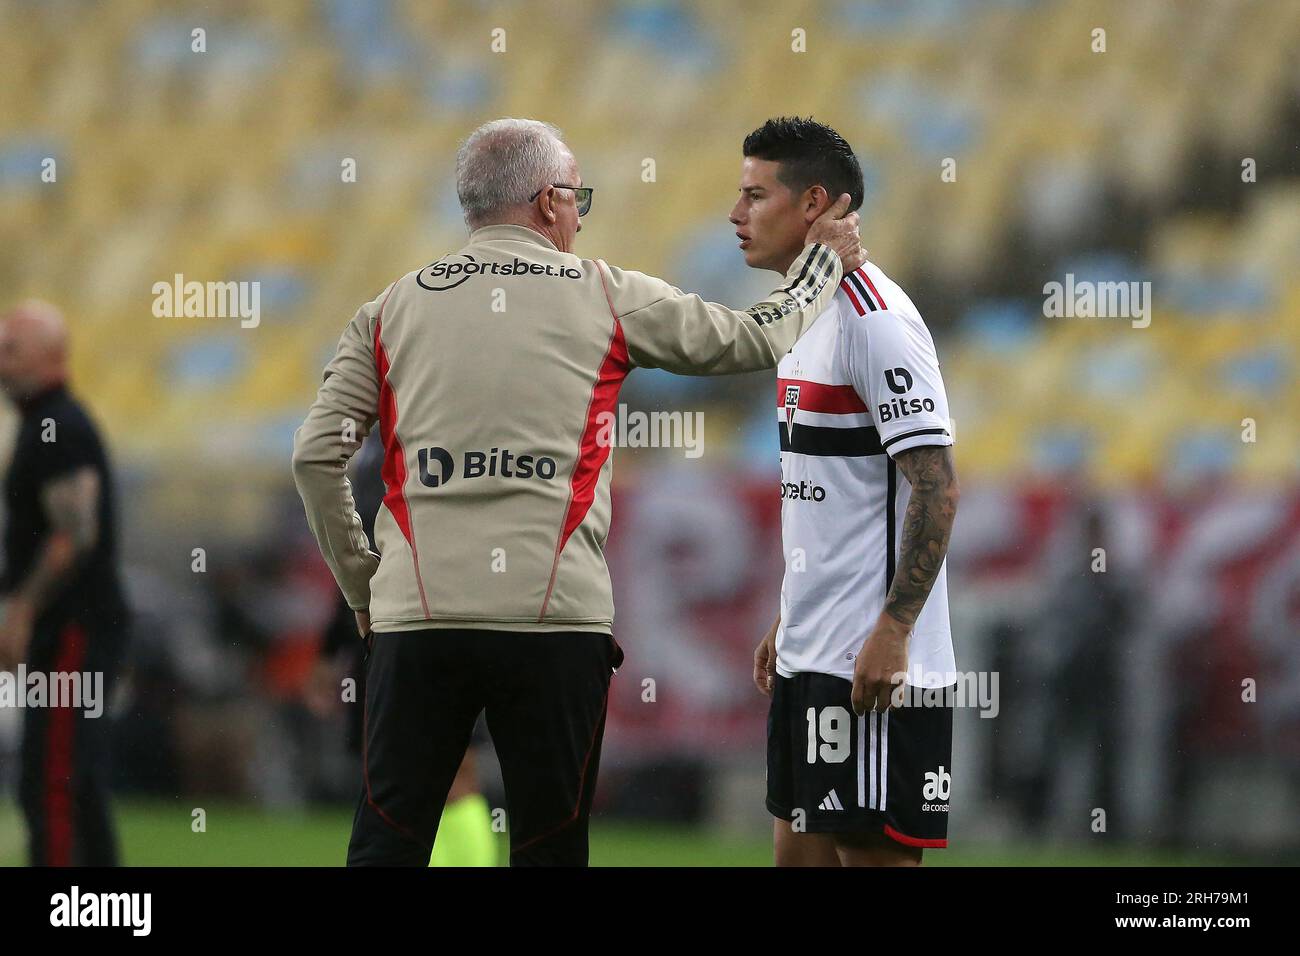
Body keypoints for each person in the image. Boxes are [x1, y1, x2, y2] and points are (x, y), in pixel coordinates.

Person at [292, 117, 865, 866]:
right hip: (554, 621)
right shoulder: (603, 293)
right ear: (550, 200)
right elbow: (756, 336)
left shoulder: (390, 308)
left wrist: (367, 589)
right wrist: (822, 267)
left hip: (418, 617)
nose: (580, 214)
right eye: (578, 197)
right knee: (550, 846)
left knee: (387, 844)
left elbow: (314, 457)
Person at [739, 118, 961, 867]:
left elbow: (935, 489)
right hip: (811, 653)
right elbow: (830, 492)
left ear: (812, 205)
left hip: (870, 667)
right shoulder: (801, 320)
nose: (736, 216)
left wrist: (894, 630)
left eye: (753, 195)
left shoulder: (878, 322)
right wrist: (787, 612)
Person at [0, 299, 130, 866]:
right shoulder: (45, 424)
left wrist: (22, 608)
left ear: (49, 356)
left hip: (72, 630)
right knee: (71, 775)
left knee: (54, 778)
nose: (0, 361)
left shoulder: (58, 426)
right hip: (71, 628)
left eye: (10, 349)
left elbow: (75, 533)